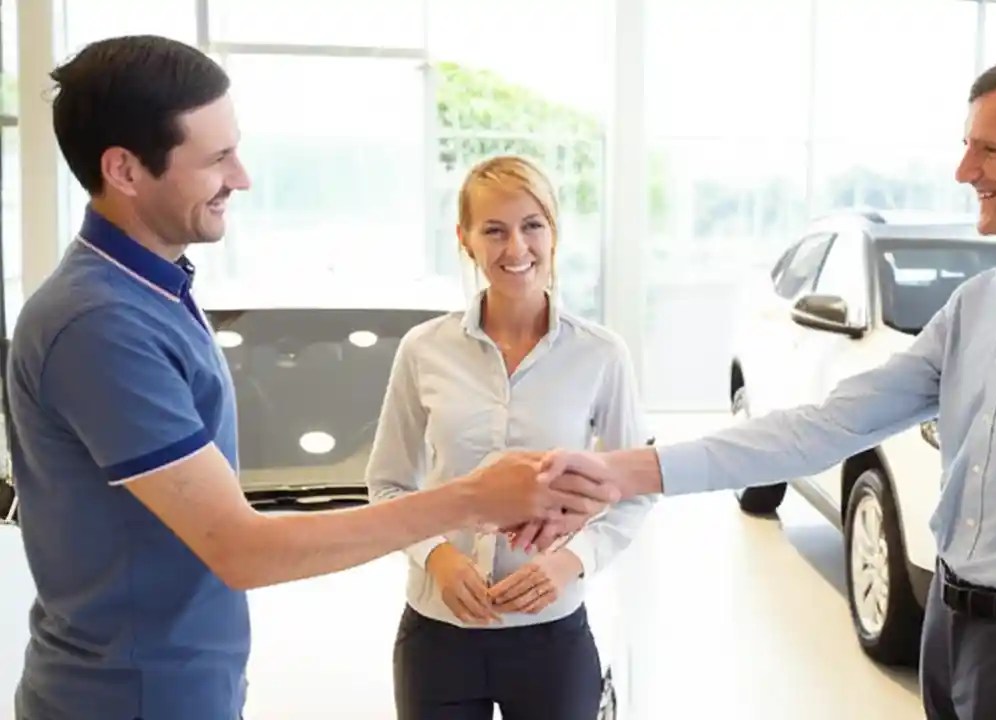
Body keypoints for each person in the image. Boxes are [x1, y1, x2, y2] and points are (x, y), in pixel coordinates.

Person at [521, 48, 996, 720]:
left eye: (989, 149)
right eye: (965, 147)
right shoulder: (982, 302)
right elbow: (824, 425)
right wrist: (624, 472)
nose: (964, 172)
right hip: (947, 627)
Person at [6, 36, 614, 720]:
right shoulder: (98, 324)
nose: (243, 178)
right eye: (216, 159)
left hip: (176, 686)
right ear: (124, 169)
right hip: (129, 699)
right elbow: (241, 550)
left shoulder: (154, 293)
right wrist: (471, 499)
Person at [365, 155, 656, 720]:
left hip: (552, 637)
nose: (515, 247)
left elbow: (636, 490)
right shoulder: (424, 350)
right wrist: (438, 558)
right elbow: (388, 484)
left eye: (531, 226)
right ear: (465, 240)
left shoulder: (600, 354)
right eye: (493, 230)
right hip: (437, 635)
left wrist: (571, 562)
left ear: (554, 233)